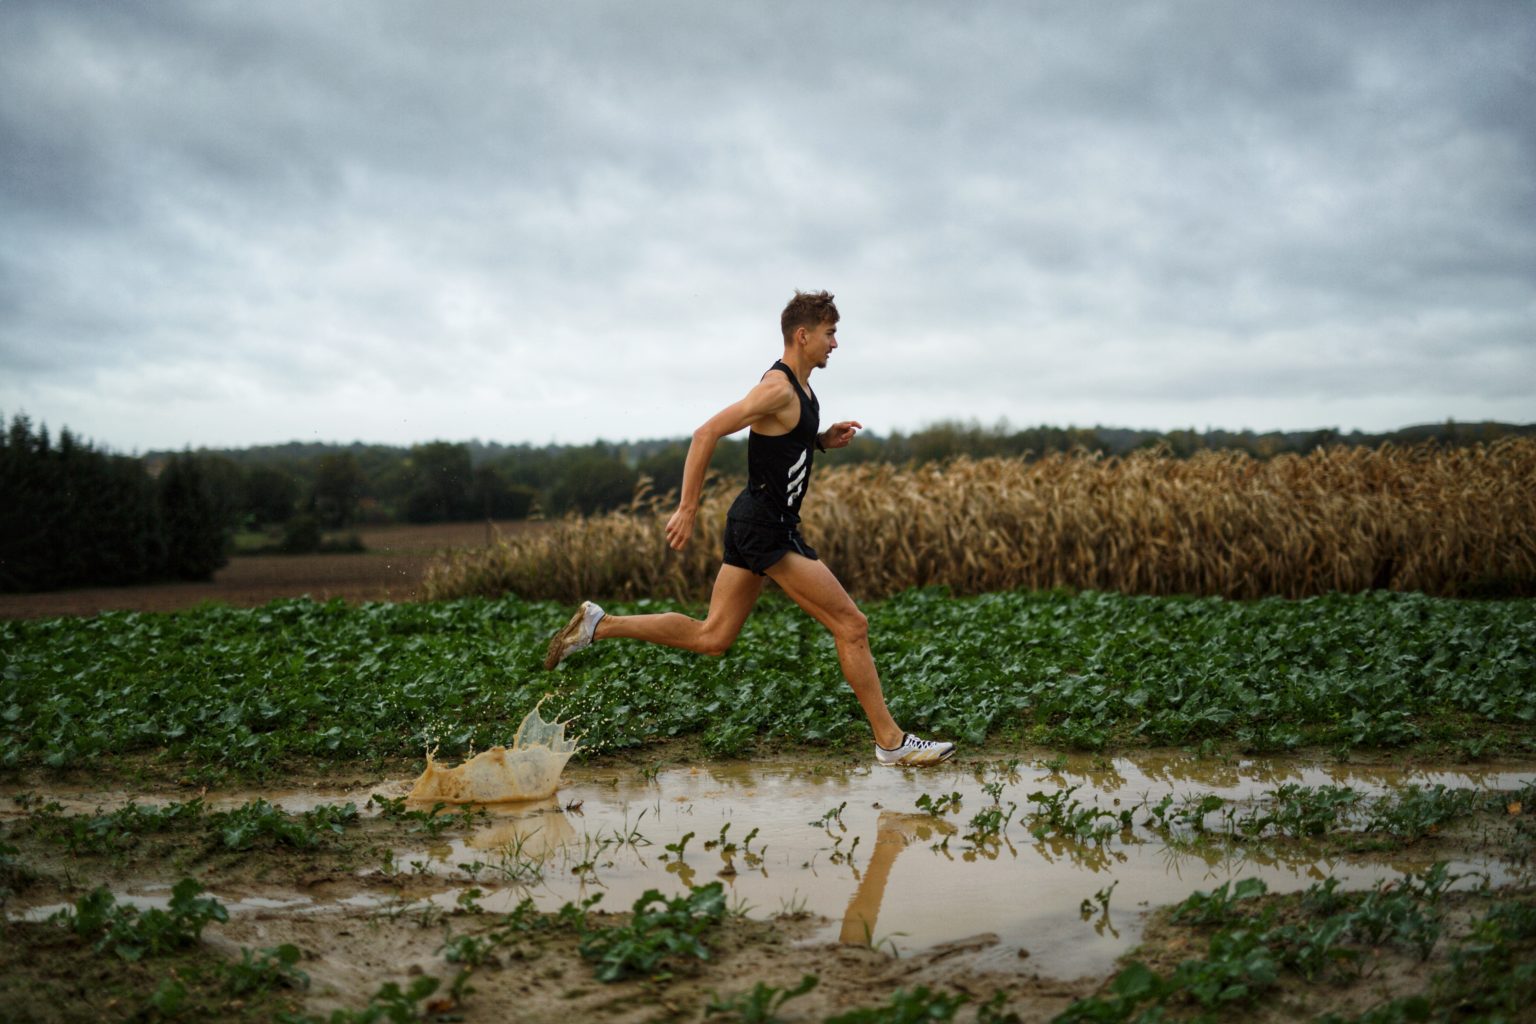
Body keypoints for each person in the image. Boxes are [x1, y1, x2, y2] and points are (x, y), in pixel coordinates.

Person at [544, 290, 955, 767]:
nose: (835, 344)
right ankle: (890, 742)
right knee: (852, 624)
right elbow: (706, 432)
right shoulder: (776, 388)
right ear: (803, 335)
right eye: (829, 333)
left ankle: (600, 624)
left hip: (759, 522)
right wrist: (687, 507)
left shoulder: (800, 389)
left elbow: (781, 443)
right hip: (765, 527)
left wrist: (819, 441)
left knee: (712, 637)